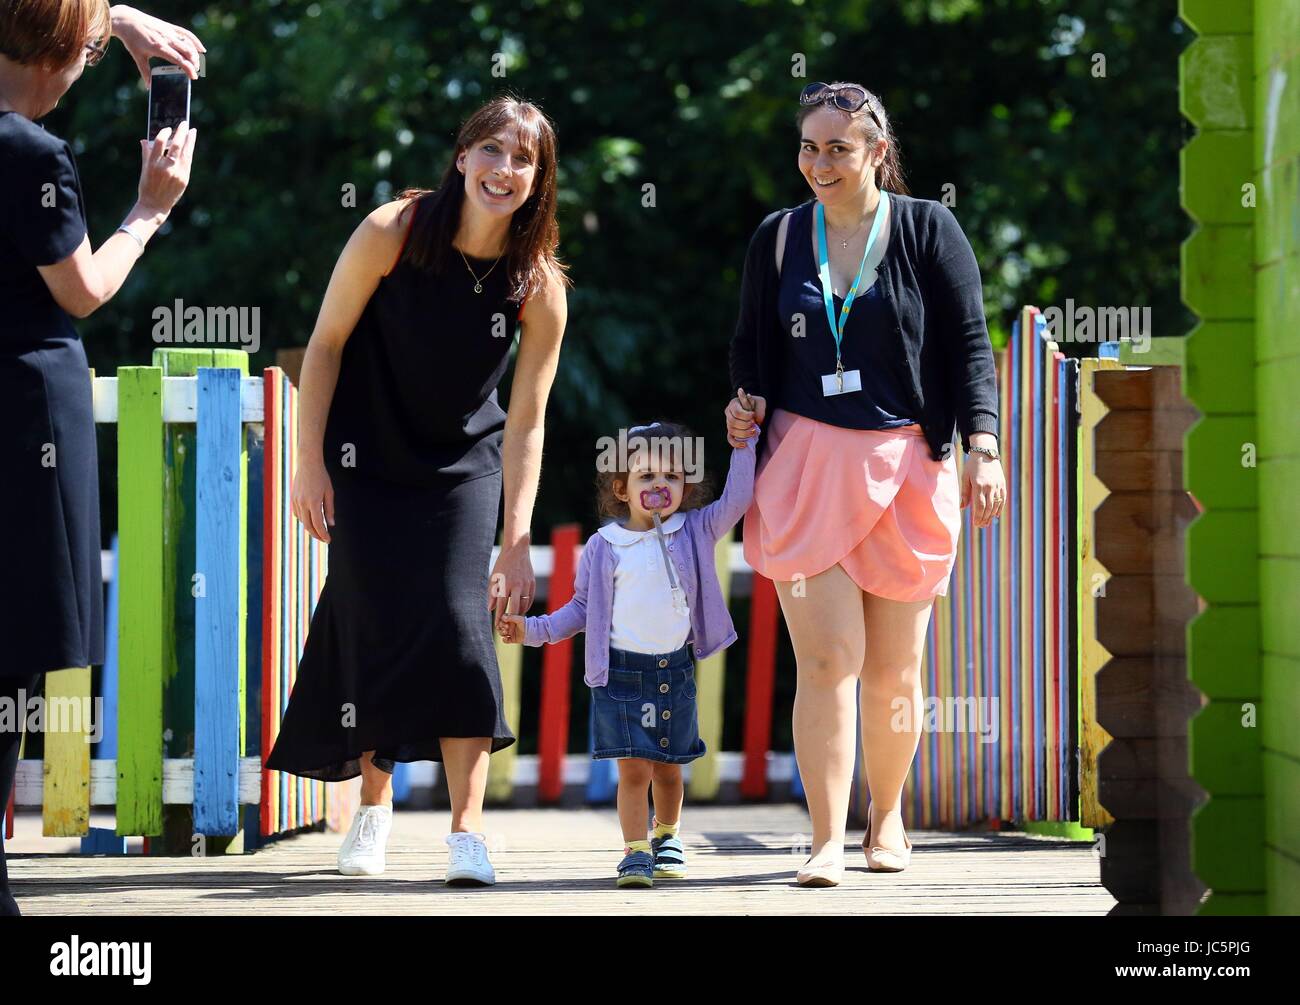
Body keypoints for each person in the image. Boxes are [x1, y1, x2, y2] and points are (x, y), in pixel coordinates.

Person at [265, 95, 569, 887]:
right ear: (463, 155)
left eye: (524, 160)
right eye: (493, 151)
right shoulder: (392, 232)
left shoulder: (539, 285)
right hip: (368, 457)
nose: (506, 170)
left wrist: (517, 537)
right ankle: (373, 807)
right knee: (375, 622)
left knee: (464, 629)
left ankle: (468, 830)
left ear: (540, 180)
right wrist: (309, 461)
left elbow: (528, 423)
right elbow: (325, 346)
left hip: (464, 467)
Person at [726, 81, 1006, 886]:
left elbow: (969, 345)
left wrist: (981, 444)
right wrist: (743, 401)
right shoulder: (778, 238)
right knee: (825, 664)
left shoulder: (928, 228)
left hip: (909, 465)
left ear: (877, 152)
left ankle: (887, 819)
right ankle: (822, 838)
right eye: (809, 147)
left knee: (896, 670)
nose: (820, 163)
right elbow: (749, 345)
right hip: (806, 466)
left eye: (838, 148)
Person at [0, 0, 202, 915]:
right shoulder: (32, 153)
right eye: (82, 53)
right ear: (61, 53)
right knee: (11, 646)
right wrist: (150, 210)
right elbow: (82, 289)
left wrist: (110, 18)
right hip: (24, 412)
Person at [499, 418, 756, 886]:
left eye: (673, 477)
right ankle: (635, 850)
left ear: (685, 486)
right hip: (620, 678)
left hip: (674, 673)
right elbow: (579, 610)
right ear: (621, 487)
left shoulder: (695, 530)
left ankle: (669, 836)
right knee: (634, 773)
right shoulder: (604, 547)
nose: (661, 484)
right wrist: (533, 630)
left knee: (671, 770)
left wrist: (745, 443)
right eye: (647, 476)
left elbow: (738, 500)